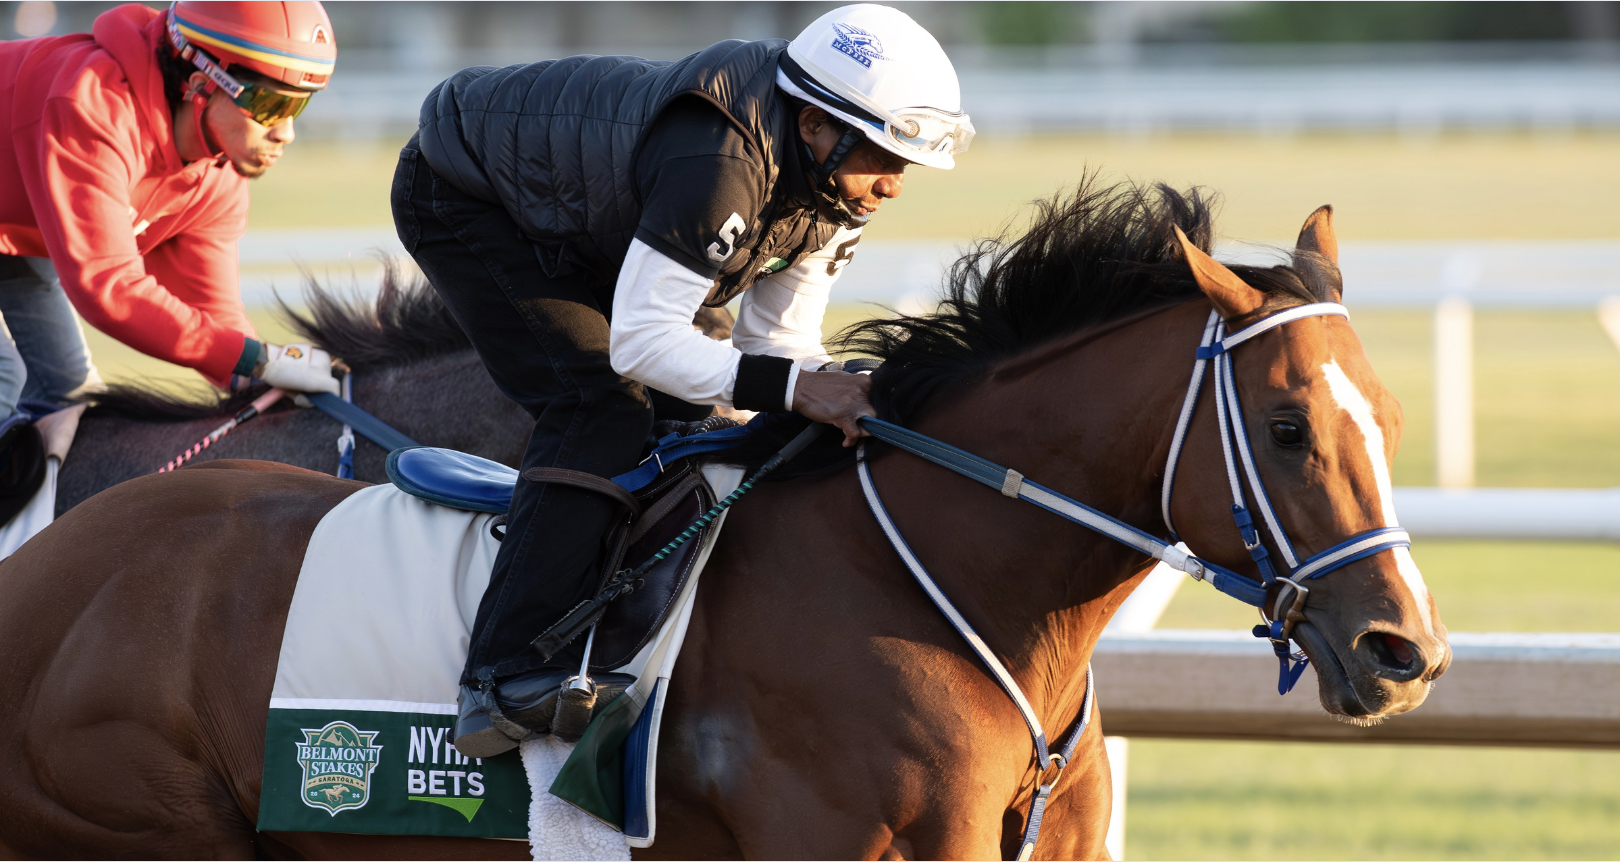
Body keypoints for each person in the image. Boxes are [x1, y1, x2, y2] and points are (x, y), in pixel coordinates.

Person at [393, 3, 974, 756]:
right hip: (465, 194)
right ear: (813, 126)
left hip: (582, 214)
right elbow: (641, 345)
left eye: (906, 166)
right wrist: (797, 389)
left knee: (698, 410)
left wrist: (832, 388)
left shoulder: (835, 188)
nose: (893, 185)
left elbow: (779, 343)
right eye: (883, 158)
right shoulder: (721, 162)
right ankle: (501, 677)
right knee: (599, 402)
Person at [0, 0, 344, 448]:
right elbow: (109, 289)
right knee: (7, 379)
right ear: (202, 84)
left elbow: (214, 316)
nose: (285, 133)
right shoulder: (92, 103)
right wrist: (258, 360)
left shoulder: (218, 178)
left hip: (15, 236)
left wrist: (262, 380)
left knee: (70, 399)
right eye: (270, 105)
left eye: (297, 108)